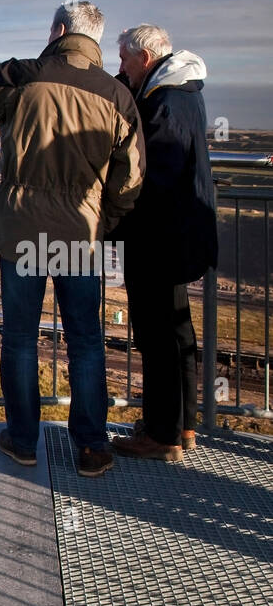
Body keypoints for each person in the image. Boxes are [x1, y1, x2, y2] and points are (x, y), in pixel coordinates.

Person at [0, 1, 143, 477]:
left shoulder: (25, 76)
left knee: (21, 338)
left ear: (60, 30)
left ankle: (22, 440)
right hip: (80, 236)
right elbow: (130, 181)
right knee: (85, 341)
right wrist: (103, 221)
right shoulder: (118, 96)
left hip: (22, 232)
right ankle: (91, 446)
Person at [107, 25, 217, 462]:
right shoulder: (183, 91)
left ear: (145, 59)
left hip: (159, 238)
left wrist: (115, 217)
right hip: (179, 234)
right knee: (176, 330)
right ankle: (183, 424)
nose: (121, 67)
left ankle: (161, 435)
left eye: (124, 60)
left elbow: (153, 178)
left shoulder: (164, 102)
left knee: (156, 336)